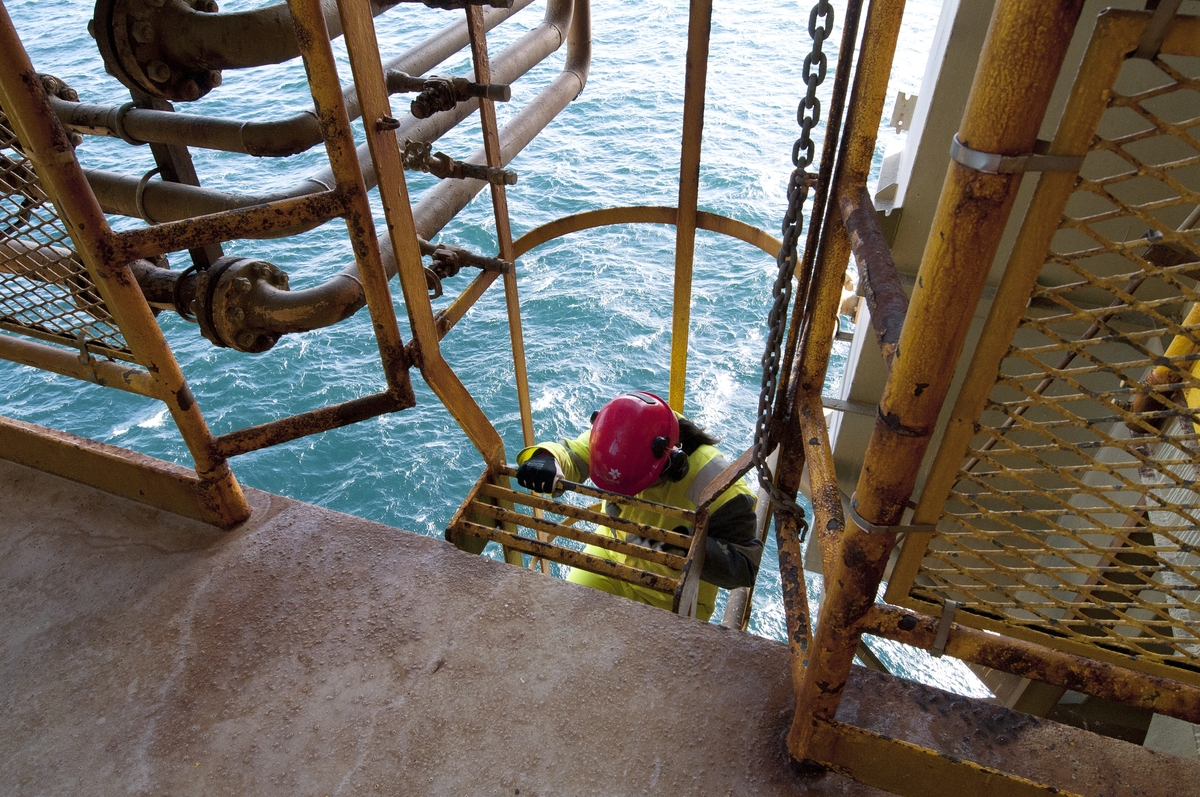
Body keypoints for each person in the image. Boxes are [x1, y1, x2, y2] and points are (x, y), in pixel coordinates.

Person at [515, 390, 761, 621]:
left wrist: (684, 547)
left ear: (672, 465)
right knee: (563, 620)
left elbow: (745, 566)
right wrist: (547, 459)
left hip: (671, 593)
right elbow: (572, 453)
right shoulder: (619, 433)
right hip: (611, 556)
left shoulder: (716, 482)